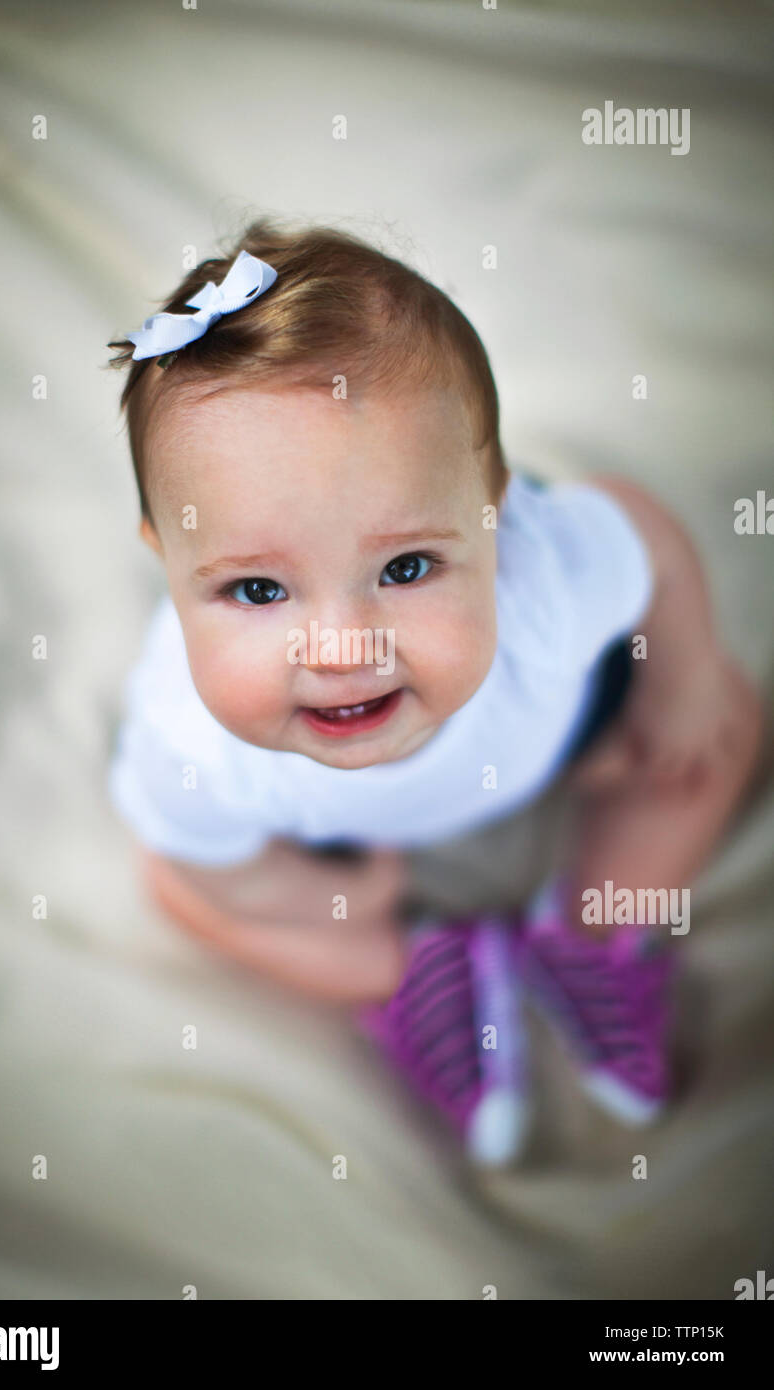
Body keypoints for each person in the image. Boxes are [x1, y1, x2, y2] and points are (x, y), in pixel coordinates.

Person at [104, 217, 763, 1167]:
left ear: (494, 515)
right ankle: (409, 975)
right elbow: (208, 869)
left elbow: (644, 534)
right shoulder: (191, 749)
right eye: (257, 589)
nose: (342, 648)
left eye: (408, 567)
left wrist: (683, 683)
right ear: (168, 563)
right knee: (178, 885)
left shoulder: (544, 582)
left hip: (560, 725)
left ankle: (592, 934)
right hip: (322, 820)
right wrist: (299, 897)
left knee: (725, 722)